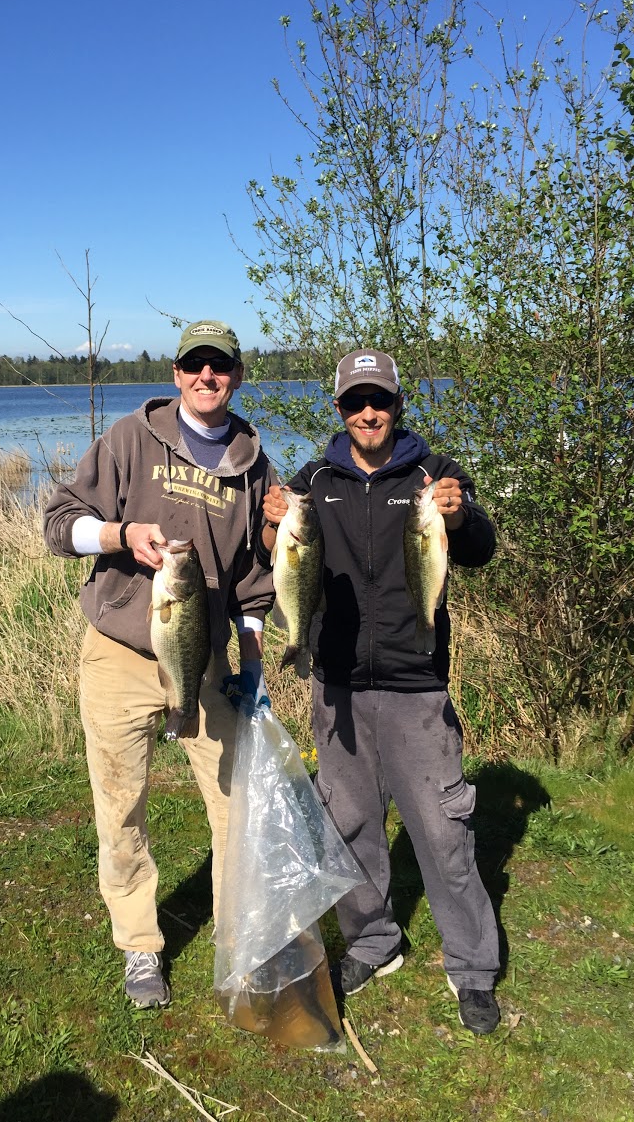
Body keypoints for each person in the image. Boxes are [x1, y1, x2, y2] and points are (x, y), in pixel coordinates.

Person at [259, 349, 502, 1035]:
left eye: (381, 400)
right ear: (338, 408)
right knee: (350, 825)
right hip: (334, 683)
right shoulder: (315, 480)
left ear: (398, 406)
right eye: (354, 401)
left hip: (414, 681)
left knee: (440, 830)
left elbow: (480, 547)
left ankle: (473, 968)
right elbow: (275, 559)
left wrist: (458, 517)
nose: (369, 412)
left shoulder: (435, 474)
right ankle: (373, 942)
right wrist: (272, 523)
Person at [44, 321, 275, 1009]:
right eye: (194, 364)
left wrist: (254, 656)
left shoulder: (255, 465)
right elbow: (59, 522)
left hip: (203, 660)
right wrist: (117, 535)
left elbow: (256, 580)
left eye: (220, 366)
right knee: (121, 808)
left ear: (235, 375)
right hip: (117, 653)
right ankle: (140, 947)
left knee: (238, 806)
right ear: (176, 373)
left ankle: (242, 938)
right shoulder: (128, 439)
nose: (207, 376)